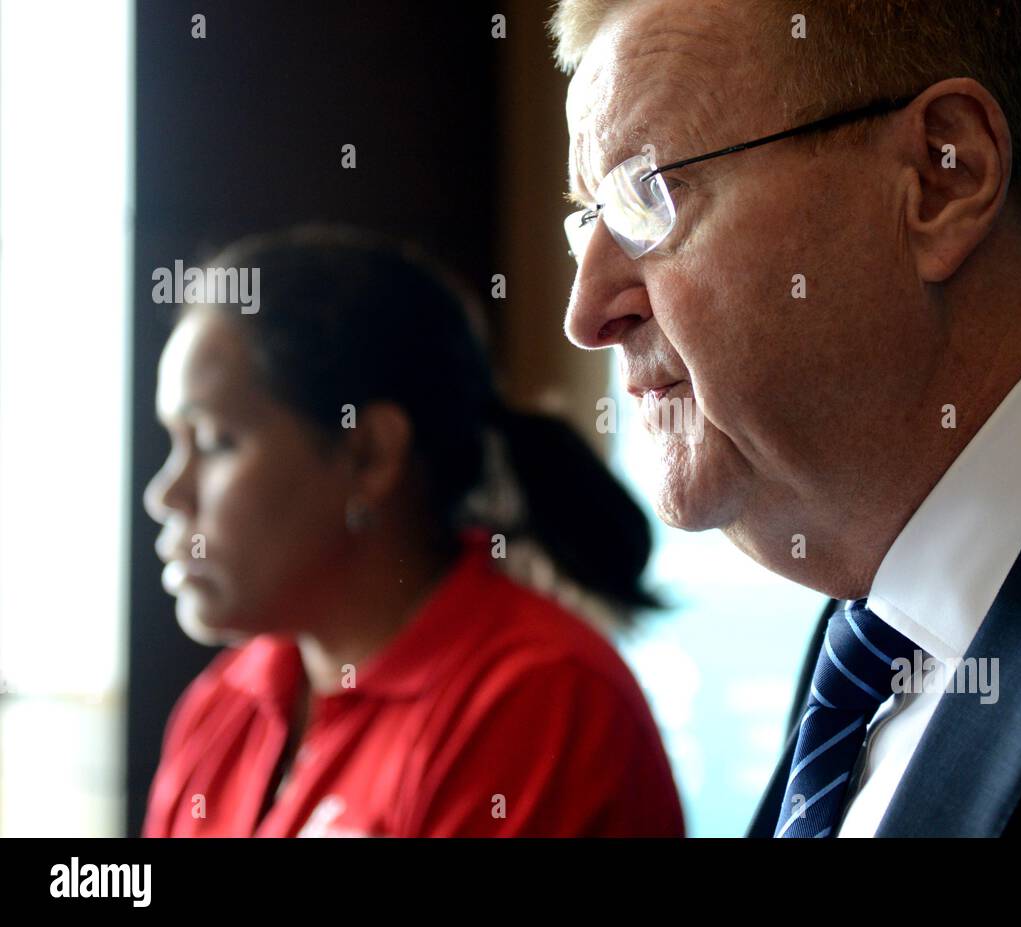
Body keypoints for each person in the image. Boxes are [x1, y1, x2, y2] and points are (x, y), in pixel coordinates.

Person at [549, 0, 1021, 837]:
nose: (586, 313)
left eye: (648, 195)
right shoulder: (867, 641)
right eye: (591, 219)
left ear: (945, 176)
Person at [141, 224, 684, 837]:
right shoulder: (225, 703)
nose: (166, 494)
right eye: (175, 443)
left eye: (215, 442)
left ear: (369, 454)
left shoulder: (536, 703)